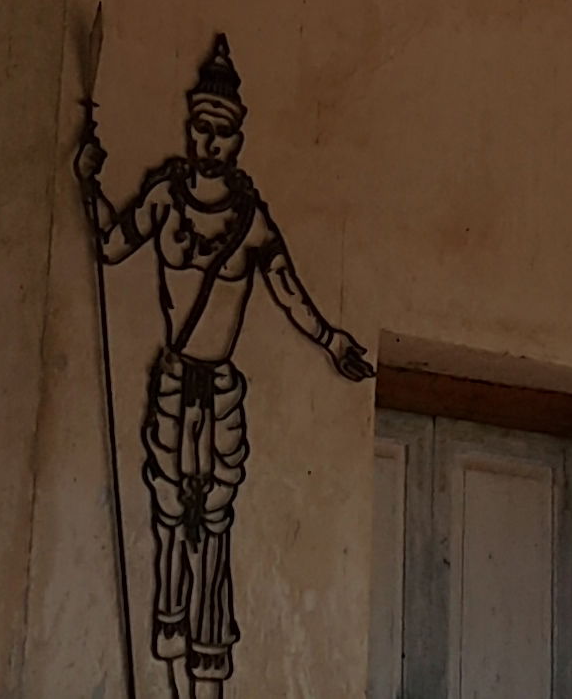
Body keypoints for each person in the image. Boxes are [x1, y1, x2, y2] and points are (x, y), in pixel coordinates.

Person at [79, 34, 369, 694]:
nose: (210, 141)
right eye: (202, 127)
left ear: (237, 139)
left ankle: (206, 670)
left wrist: (332, 341)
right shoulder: (165, 198)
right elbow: (109, 243)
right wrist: (89, 177)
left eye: (222, 132)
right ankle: (172, 658)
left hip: (222, 396)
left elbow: (288, 291)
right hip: (174, 385)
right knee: (167, 518)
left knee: (213, 526)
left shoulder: (250, 221)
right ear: (191, 129)